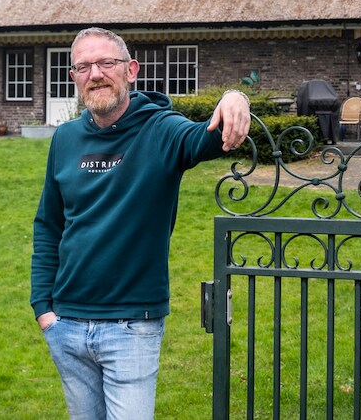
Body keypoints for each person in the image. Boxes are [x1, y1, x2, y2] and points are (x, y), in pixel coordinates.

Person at [31, 27, 251, 420]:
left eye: (106, 63)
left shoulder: (161, 130)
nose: (95, 73)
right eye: (84, 66)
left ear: (131, 70)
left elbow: (208, 139)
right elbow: (49, 224)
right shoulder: (64, 138)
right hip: (66, 322)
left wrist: (236, 97)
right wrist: (43, 308)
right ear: (74, 77)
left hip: (131, 326)